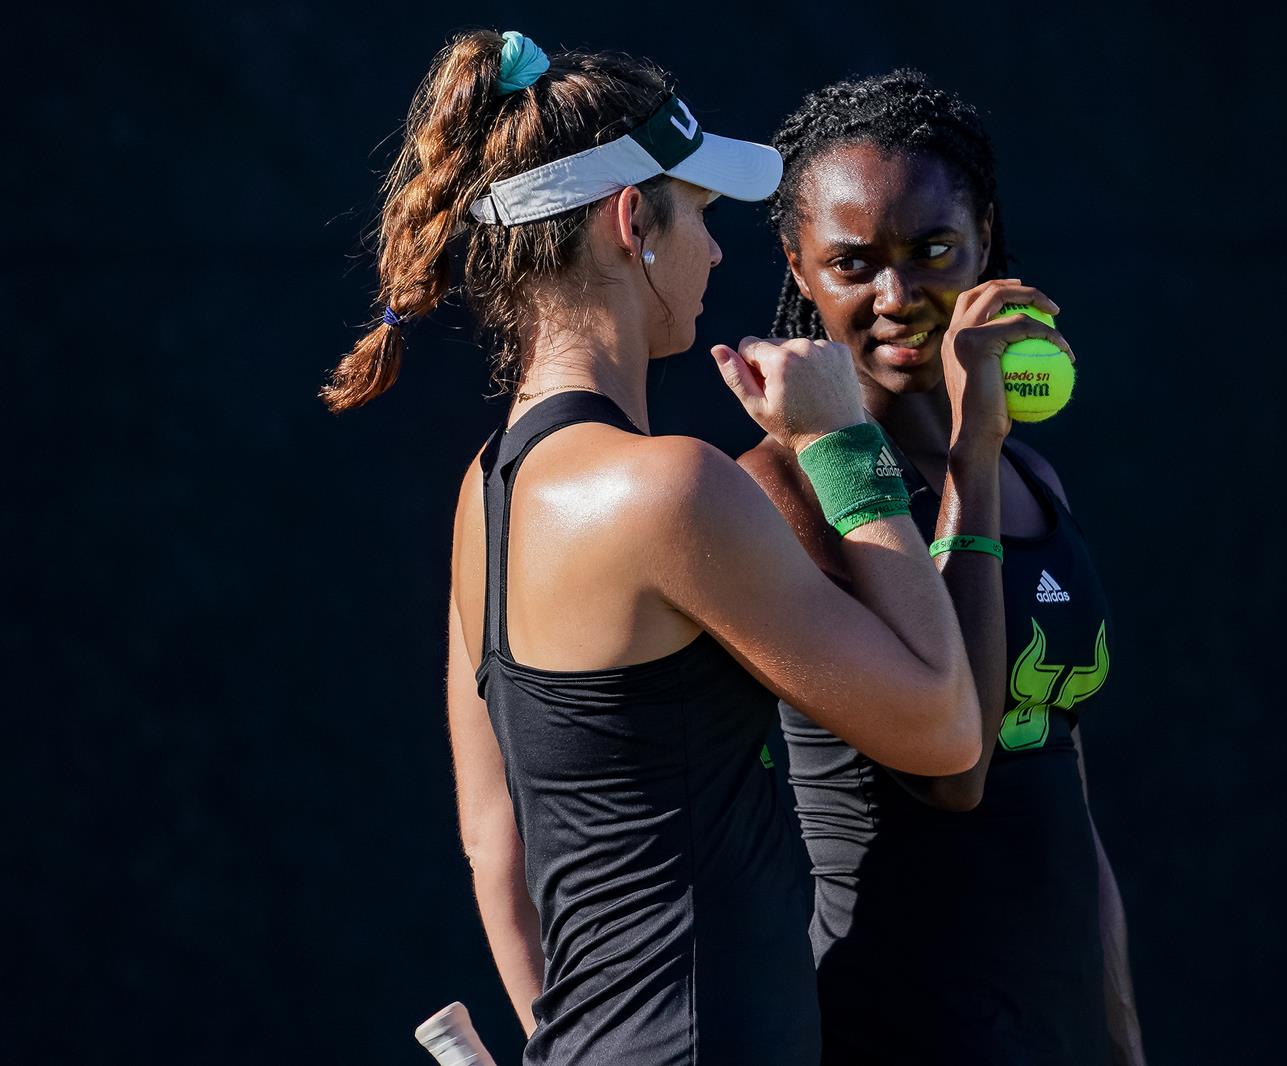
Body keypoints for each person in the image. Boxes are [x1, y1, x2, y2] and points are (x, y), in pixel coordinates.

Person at [322, 34, 988, 1066]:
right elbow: (943, 726)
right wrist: (839, 442)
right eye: (702, 215)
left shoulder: (486, 488)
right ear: (633, 221)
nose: (716, 253)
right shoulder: (672, 488)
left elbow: (494, 844)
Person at [739, 70, 1147, 1065]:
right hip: (893, 1028)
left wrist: (1121, 1027)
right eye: (852, 263)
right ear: (798, 267)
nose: (898, 299)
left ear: (985, 236)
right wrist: (971, 451)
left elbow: (1062, 785)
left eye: (932, 252)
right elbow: (954, 766)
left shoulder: (1031, 476)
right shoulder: (783, 488)